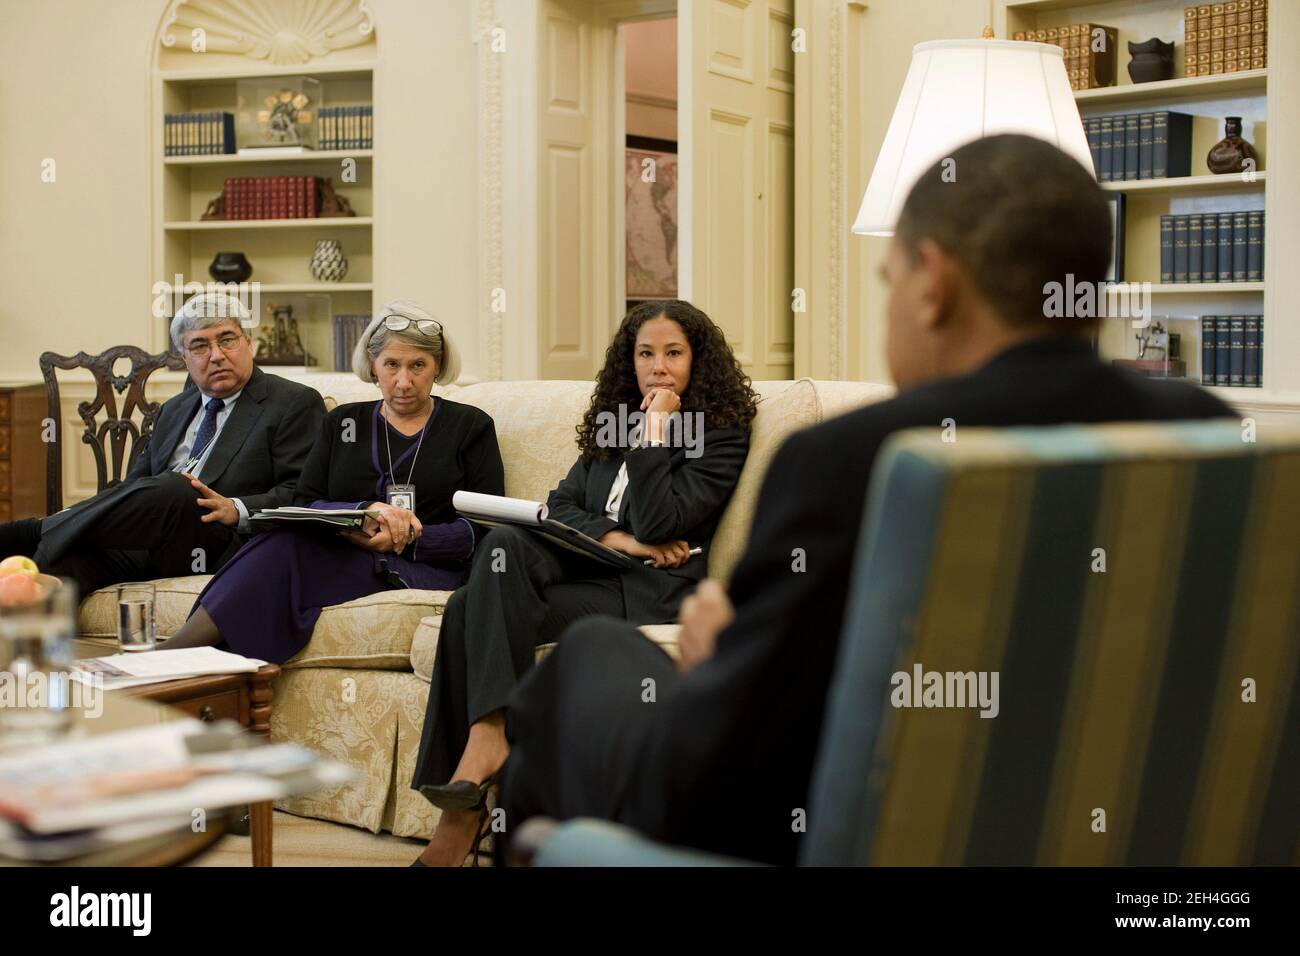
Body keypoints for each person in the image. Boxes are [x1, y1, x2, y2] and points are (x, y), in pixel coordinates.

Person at [498, 133, 1236, 865]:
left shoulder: (857, 459)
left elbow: (725, 771)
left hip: (807, 827)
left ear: (932, 280)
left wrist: (721, 657)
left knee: (587, 661)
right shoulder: (1206, 434)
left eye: (888, 280)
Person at [409, 299, 757, 866]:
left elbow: (661, 522)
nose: (659, 367)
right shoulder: (611, 425)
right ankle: (479, 763)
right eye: (646, 354)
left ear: (699, 361)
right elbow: (562, 504)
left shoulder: (719, 435)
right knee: (478, 590)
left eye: (673, 353)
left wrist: (655, 434)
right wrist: (619, 540)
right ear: (631, 360)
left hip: (650, 592)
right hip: (602, 567)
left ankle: (465, 799)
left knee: (477, 594)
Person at [162, 300, 504, 664]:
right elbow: (306, 501)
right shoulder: (344, 422)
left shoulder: (471, 426)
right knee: (278, 539)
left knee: (283, 561)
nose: (403, 381)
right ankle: (194, 661)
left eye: (417, 365)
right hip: (345, 550)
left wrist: (410, 538)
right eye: (391, 365)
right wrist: (363, 511)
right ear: (373, 367)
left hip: (426, 565)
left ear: (437, 368)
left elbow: (485, 527)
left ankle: (173, 657)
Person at [0, 292, 324, 600]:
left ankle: (35, 530)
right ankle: (52, 646)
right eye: (199, 346)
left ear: (248, 342)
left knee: (180, 487)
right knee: (60, 566)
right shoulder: (174, 409)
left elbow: (303, 495)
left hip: (218, 540)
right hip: (151, 541)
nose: (216, 355)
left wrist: (235, 507)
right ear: (184, 358)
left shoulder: (293, 402)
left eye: (227, 339)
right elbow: (134, 488)